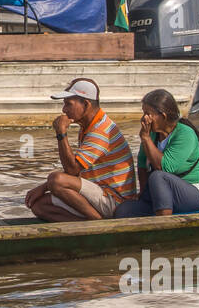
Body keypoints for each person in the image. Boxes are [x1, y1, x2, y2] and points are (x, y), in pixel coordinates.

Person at [25, 78, 136, 221]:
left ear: (86, 104)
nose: (64, 110)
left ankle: (98, 223)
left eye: (68, 104)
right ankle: (85, 226)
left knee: (56, 179)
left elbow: (72, 171)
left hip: (114, 200)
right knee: (39, 206)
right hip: (98, 194)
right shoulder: (88, 126)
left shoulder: (100, 130)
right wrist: (43, 187)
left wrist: (61, 133)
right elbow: (76, 171)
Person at [114, 89, 199, 218]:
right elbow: (142, 165)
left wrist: (146, 138)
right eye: (144, 113)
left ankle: (162, 224)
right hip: (162, 196)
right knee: (123, 211)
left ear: (163, 116)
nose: (144, 118)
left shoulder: (185, 134)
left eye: (148, 114)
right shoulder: (152, 134)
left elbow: (165, 167)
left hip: (194, 194)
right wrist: (143, 194)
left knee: (158, 176)